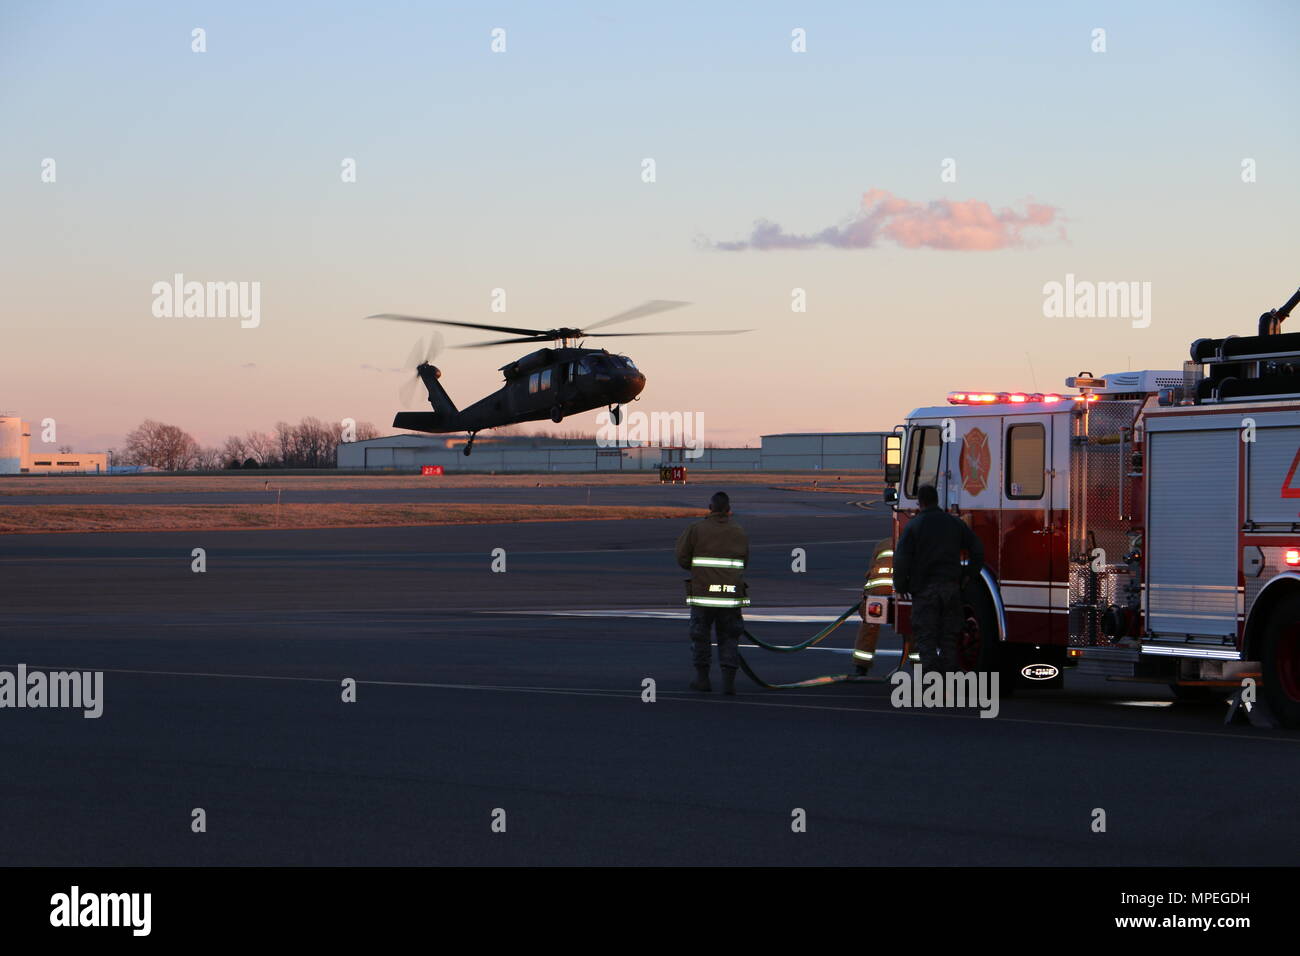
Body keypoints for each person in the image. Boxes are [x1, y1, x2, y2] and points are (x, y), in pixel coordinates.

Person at [892, 484, 984, 674]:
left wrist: (901, 585)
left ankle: (932, 681)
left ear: (920, 502)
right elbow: (977, 549)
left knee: (926, 638)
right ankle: (949, 681)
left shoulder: (914, 526)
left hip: (925, 591)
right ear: (937, 500)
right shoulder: (955, 523)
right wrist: (969, 576)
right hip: (951, 589)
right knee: (949, 638)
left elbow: (901, 559)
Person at [675, 491, 749, 695]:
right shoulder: (739, 531)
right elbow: (745, 562)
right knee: (730, 637)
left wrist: (701, 571)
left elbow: (682, 557)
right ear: (728, 510)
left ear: (710, 508)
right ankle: (728, 683)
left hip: (703, 593)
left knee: (700, 636)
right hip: (730, 594)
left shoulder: (696, 529)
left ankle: (702, 679)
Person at [853, 537, 896, 676]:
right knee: (913, 627)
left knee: (869, 624)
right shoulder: (919, 542)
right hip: (902, 593)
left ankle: (861, 666)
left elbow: (870, 572)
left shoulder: (883, 544)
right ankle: (919, 666)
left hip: (877, 593)